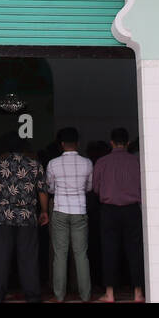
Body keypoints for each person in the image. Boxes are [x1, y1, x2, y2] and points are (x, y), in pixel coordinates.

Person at [0, 138, 48, 303]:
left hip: (3, 217)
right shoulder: (35, 165)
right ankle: (32, 295)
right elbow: (42, 191)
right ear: (26, 149)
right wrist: (44, 211)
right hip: (27, 217)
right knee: (28, 258)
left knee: (0, 257)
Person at [91, 126, 144, 303]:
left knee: (109, 251)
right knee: (135, 250)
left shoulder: (102, 162)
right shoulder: (137, 161)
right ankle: (138, 294)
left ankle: (110, 294)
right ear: (128, 143)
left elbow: (96, 189)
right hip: (132, 210)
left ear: (111, 143)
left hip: (109, 210)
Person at [46, 126, 93, 302]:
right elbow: (89, 187)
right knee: (81, 255)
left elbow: (50, 188)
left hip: (60, 211)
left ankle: (59, 295)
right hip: (80, 211)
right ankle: (85, 295)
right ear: (78, 143)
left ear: (62, 144)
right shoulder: (87, 163)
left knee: (60, 255)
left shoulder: (53, 163)